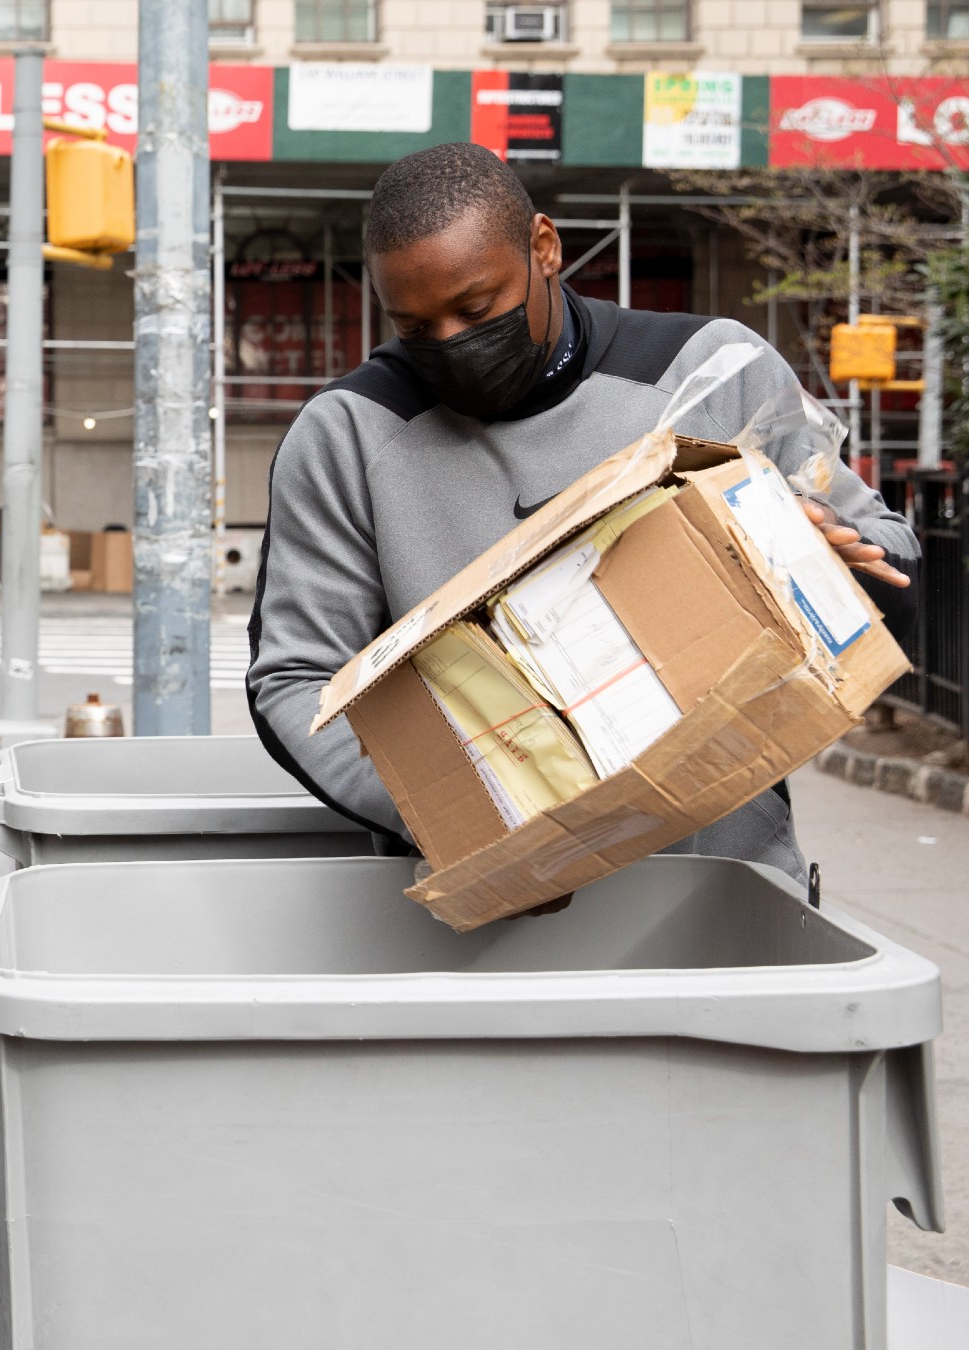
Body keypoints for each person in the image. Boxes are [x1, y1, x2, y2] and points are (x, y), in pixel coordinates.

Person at [245, 142, 915, 881]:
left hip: (720, 884)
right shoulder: (347, 435)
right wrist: (465, 826)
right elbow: (296, 681)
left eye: (476, 309)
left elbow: (890, 557)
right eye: (415, 328)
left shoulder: (712, 369)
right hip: (491, 898)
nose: (453, 344)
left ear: (544, 247)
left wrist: (821, 557)